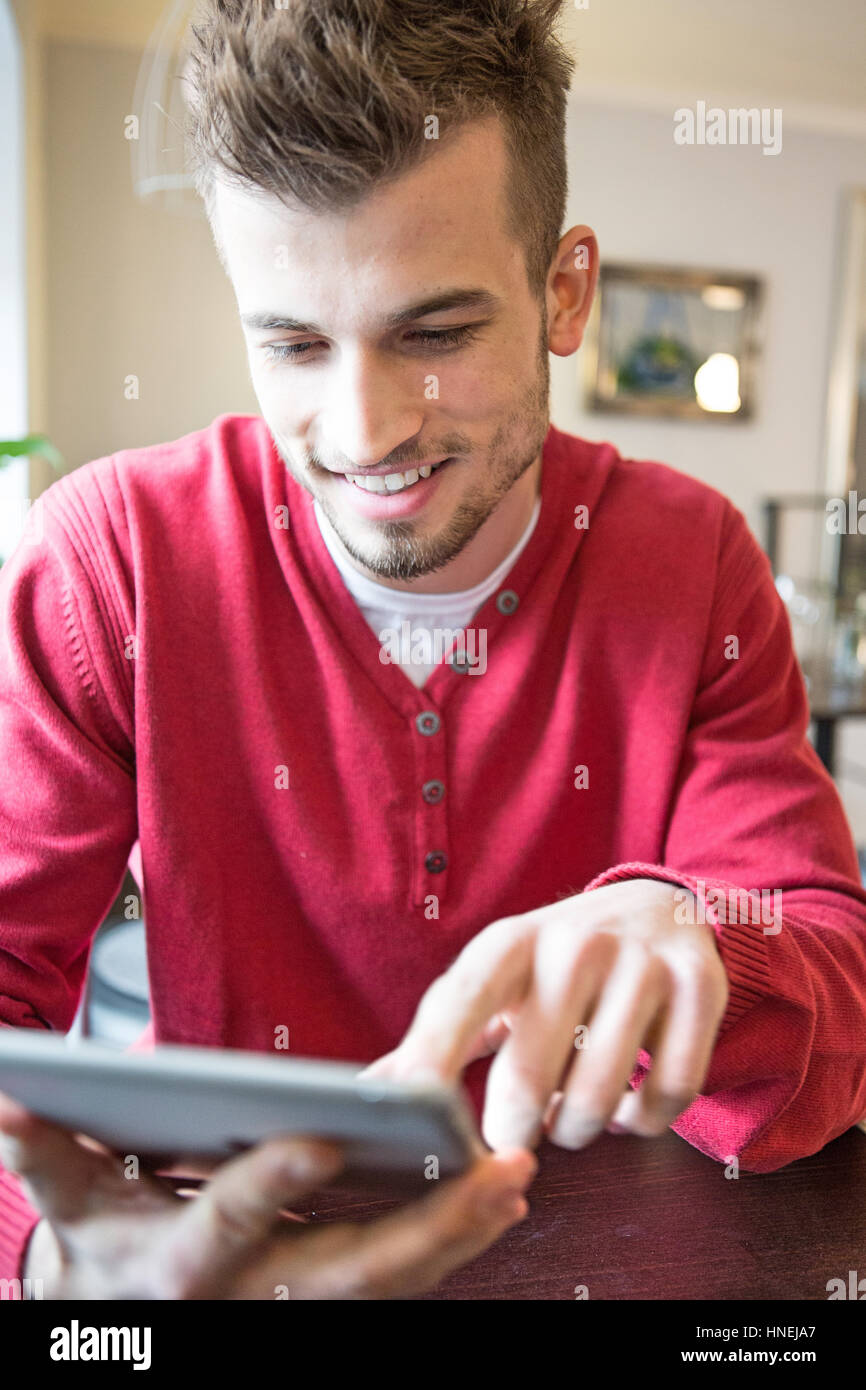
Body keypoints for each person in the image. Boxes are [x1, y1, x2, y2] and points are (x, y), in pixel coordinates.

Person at [2, 0, 866, 1300]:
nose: (363, 434)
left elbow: (825, 998)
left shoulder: (694, 566)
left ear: (563, 291)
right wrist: (57, 1254)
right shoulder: (106, 561)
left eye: (435, 333)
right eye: (291, 342)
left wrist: (702, 936)